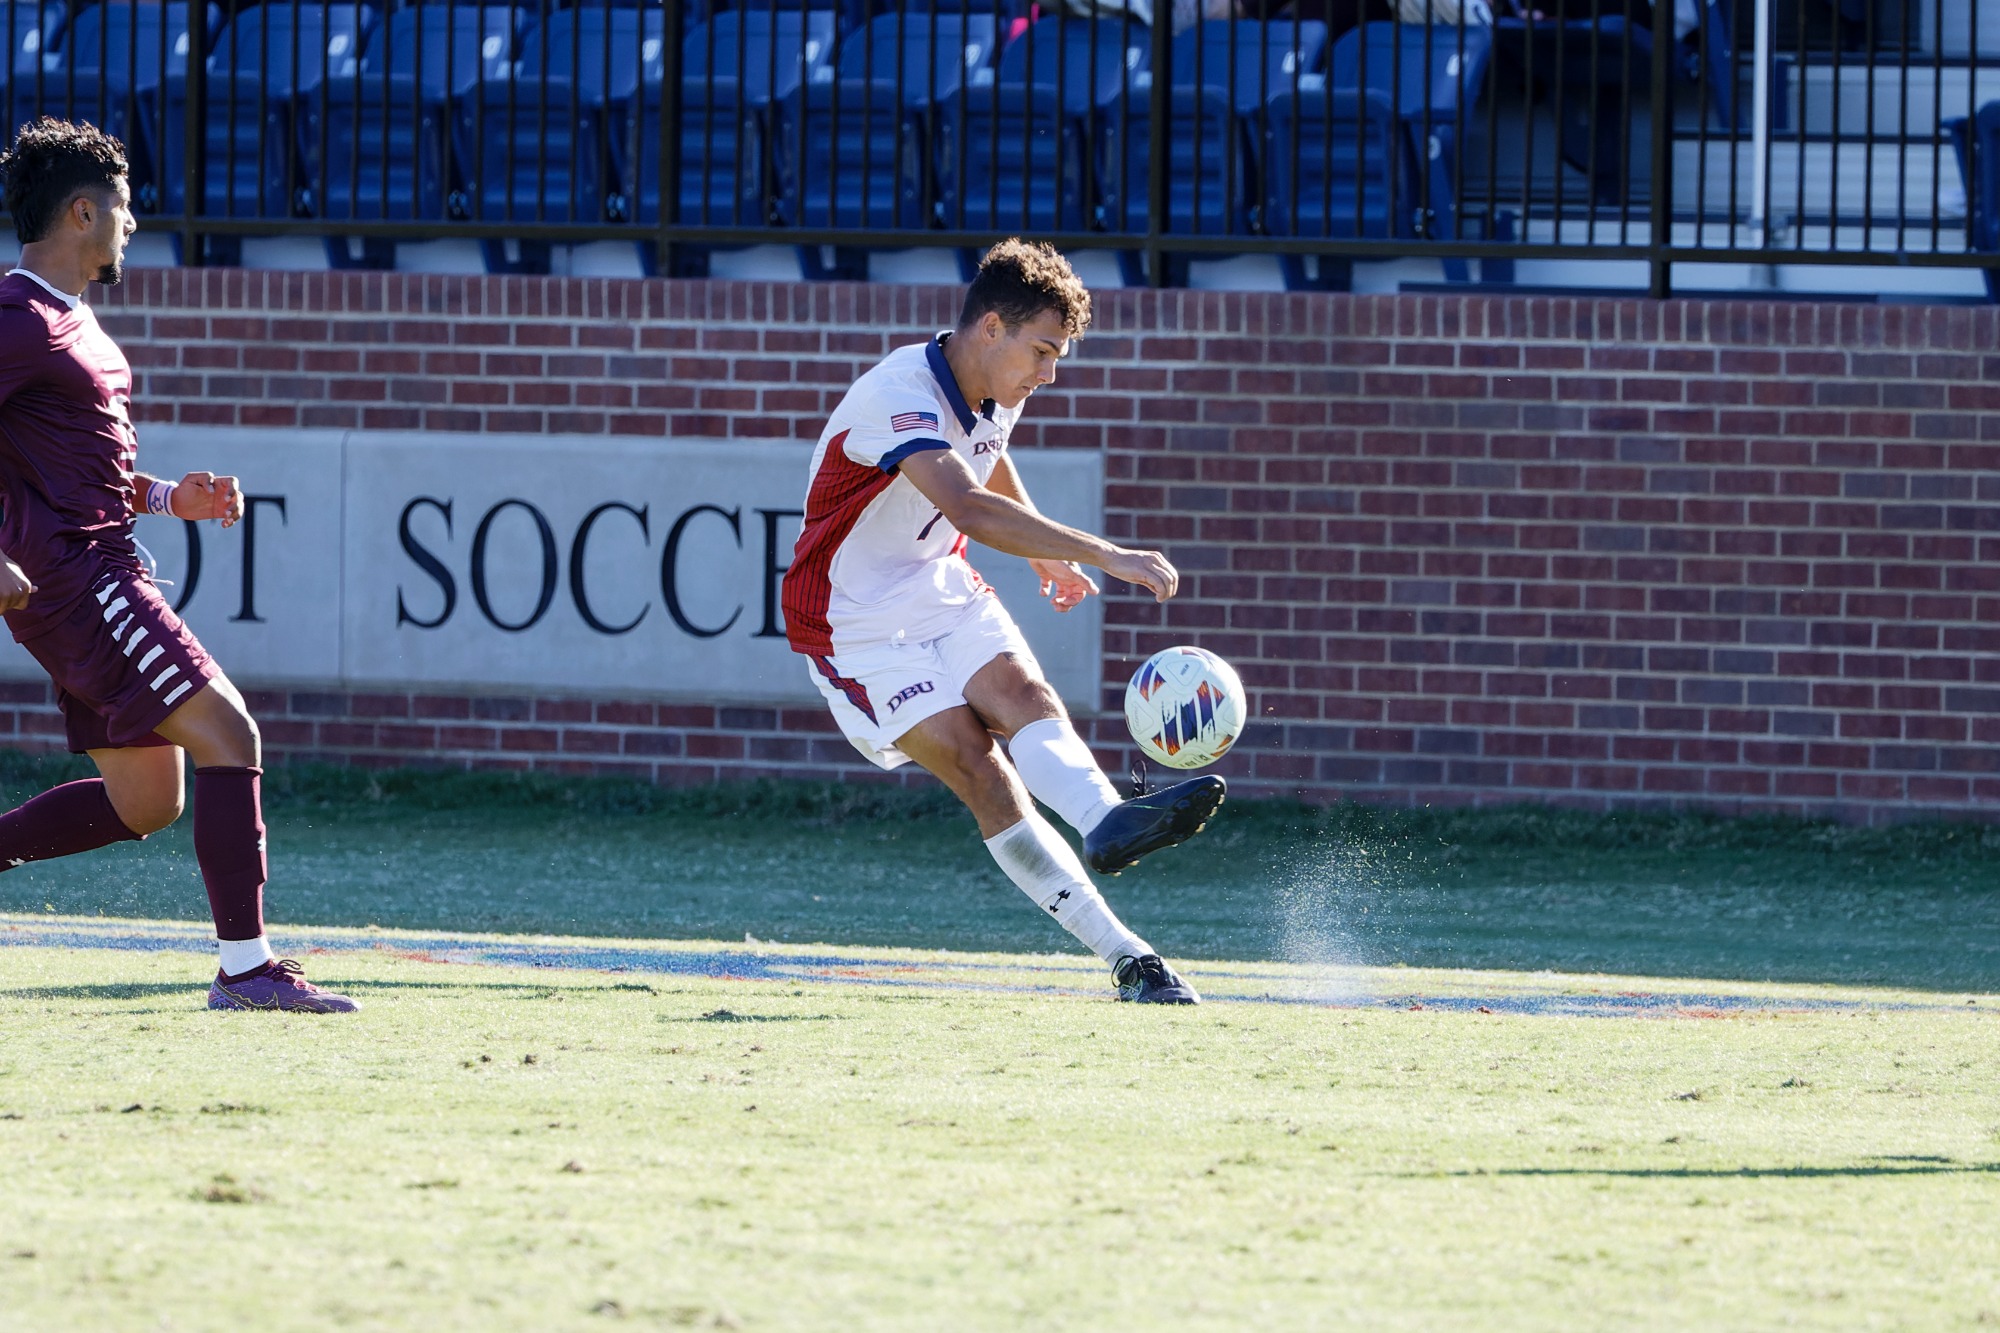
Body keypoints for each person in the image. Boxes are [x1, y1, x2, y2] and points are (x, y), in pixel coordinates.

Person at [781, 239, 1223, 1005]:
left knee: (1025, 698)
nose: (1048, 373)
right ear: (991, 327)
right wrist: (1102, 551)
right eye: (1043, 351)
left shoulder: (997, 384)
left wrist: (1043, 553)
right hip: (851, 623)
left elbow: (987, 460)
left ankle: (1109, 820)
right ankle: (1129, 957)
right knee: (978, 763)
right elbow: (969, 504)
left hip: (940, 583)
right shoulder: (901, 392)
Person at [0, 117, 354, 1014]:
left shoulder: (69, 321)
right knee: (232, 734)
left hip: (92, 566)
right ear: (82, 212)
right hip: (82, 580)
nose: (132, 222)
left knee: (148, 800)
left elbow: (83, 472)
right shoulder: (19, 315)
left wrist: (170, 499)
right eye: (122, 205)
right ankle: (247, 969)